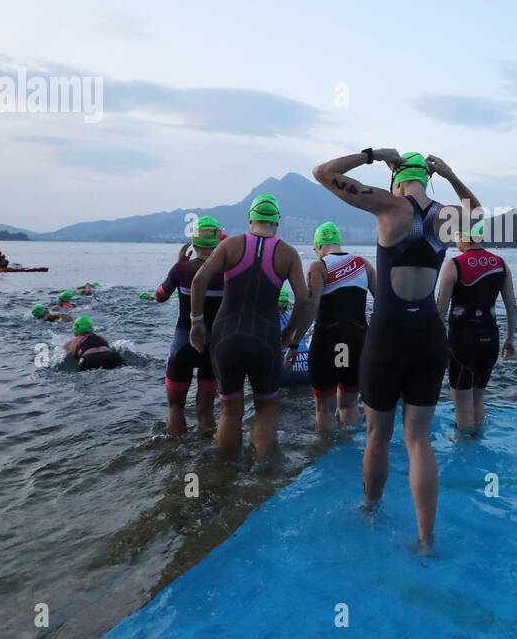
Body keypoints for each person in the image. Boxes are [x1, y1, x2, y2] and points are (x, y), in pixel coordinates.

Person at [312, 149, 481, 548]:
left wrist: (373, 155)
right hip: (429, 335)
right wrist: (452, 173)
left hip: (387, 336)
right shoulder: (448, 217)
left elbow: (323, 172)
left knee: (377, 434)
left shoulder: (387, 204)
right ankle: (426, 538)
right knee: (418, 440)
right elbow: (477, 211)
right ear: (427, 177)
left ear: (397, 179)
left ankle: (370, 508)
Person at [188, 195, 310, 459]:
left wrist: (197, 323)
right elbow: (303, 298)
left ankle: (226, 475)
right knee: (266, 409)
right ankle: (263, 474)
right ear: (276, 223)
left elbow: (199, 280)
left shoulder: (230, 245)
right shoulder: (288, 253)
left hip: (225, 336)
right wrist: (290, 334)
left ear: (250, 220)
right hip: (265, 338)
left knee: (230, 411)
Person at [436, 221, 517, 432]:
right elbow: (512, 307)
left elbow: (441, 309)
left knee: (462, 409)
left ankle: (466, 453)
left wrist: (435, 342)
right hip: (490, 339)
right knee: (478, 399)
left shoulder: (454, 264)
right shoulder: (500, 263)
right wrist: (510, 339)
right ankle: (478, 441)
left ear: (464, 237)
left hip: (462, 341)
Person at [156, 217, 224, 435]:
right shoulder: (227, 273)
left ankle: (176, 457)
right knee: (206, 411)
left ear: (193, 245)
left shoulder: (180, 270)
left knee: (175, 406)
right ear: (218, 243)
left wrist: (179, 264)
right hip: (212, 347)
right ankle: (206, 458)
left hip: (183, 344)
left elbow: (160, 296)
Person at [306, 221, 375, 431]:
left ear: (318, 246)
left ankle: (325, 456)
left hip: (328, 341)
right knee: (348, 405)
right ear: (337, 242)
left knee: (325, 410)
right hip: (356, 341)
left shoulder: (319, 266)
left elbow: (310, 308)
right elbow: (383, 303)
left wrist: (292, 342)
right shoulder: (364, 264)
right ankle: (352, 454)